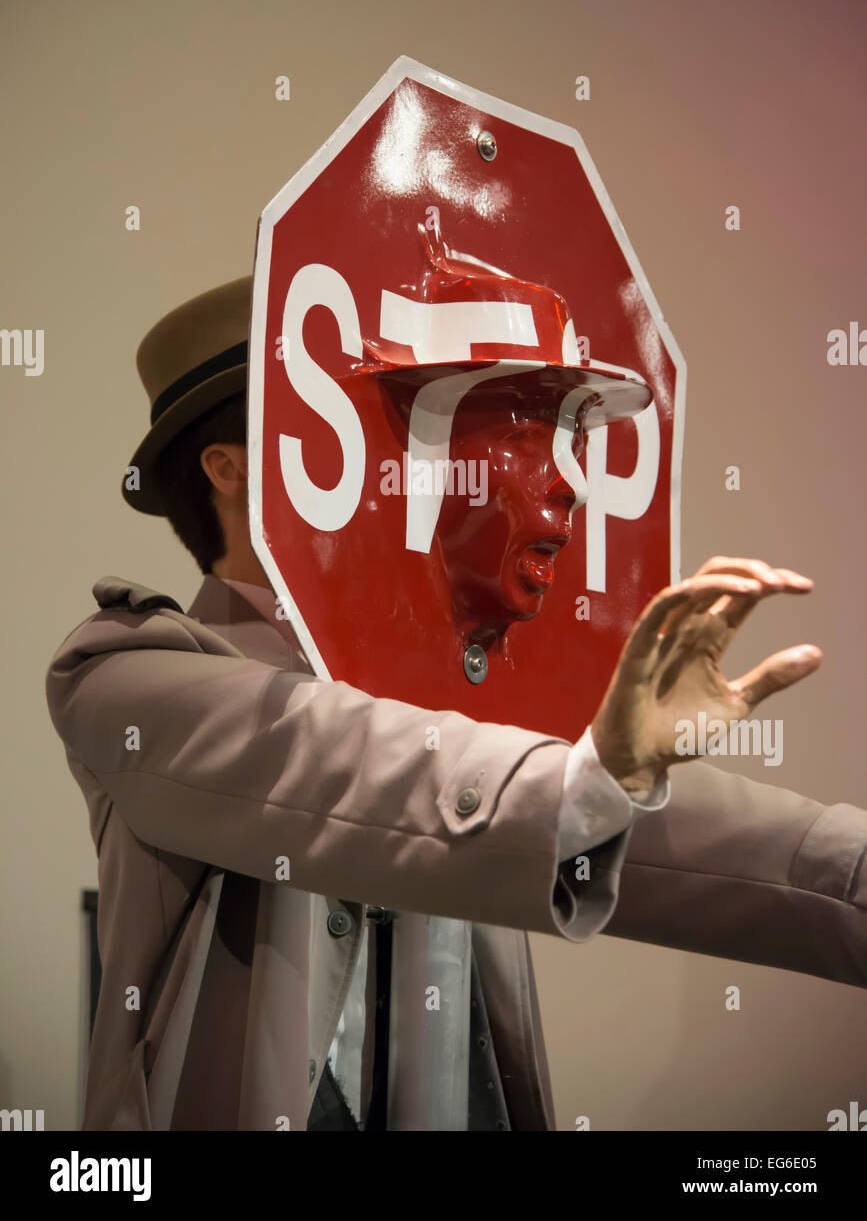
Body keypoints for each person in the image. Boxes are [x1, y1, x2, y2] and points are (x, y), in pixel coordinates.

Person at [45, 277, 867, 1132]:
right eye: (369, 427)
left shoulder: (464, 688)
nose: (410, 461)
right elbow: (333, 758)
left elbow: (650, 837)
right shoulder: (123, 672)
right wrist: (589, 780)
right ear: (233, 466)